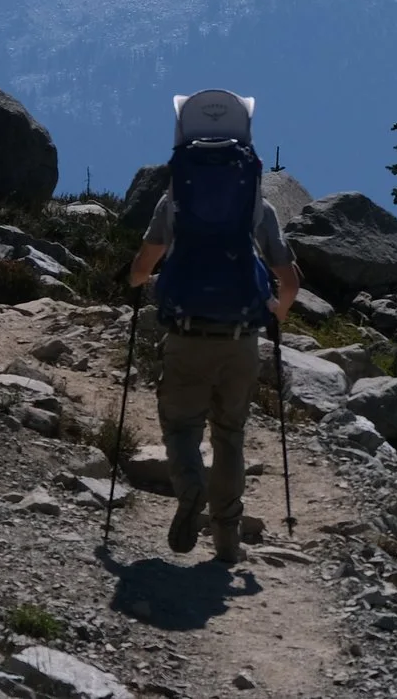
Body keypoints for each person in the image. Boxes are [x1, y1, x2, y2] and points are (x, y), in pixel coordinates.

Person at [126, 89, 301, 565]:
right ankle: (227, 542)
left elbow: (143, 267)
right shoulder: (256, 211)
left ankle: (190, 488)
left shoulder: (174, 203)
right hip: (241, 339)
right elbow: (290, 282)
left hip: (186, 334)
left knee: (180, 425)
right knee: (230, 435)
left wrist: (138, 279)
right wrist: (272, 314)